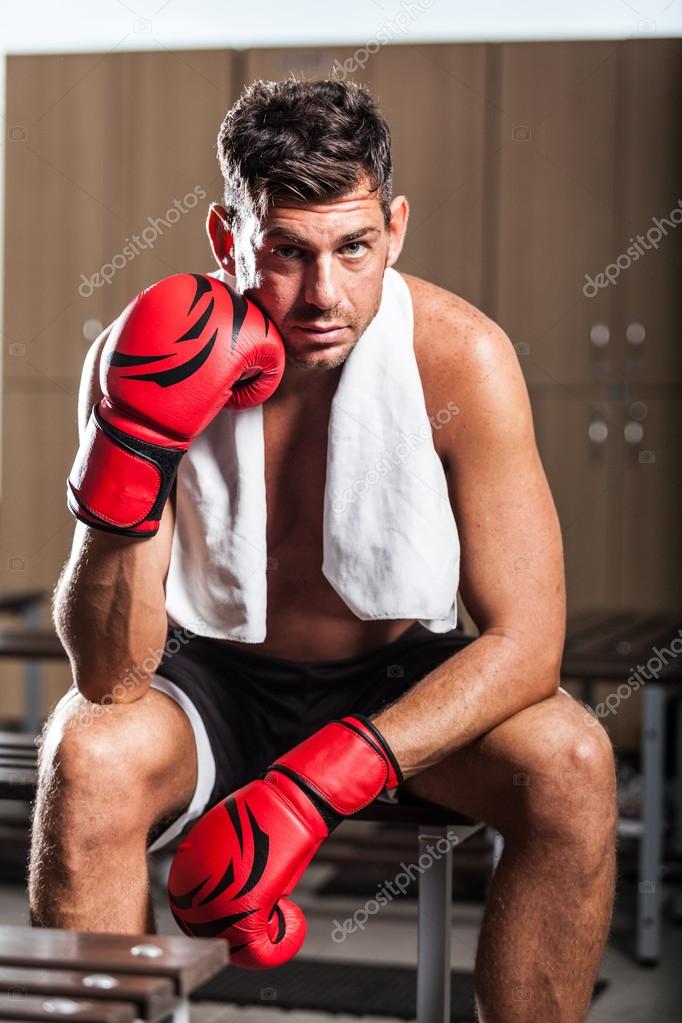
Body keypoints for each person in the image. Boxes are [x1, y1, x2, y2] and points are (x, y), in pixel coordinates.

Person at [30, 79, 616, 1022]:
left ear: (396, 227)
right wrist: (132, 451)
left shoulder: (460, 357)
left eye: (354, 248)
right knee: (86, 754)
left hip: (395, 678)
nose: (324, 296)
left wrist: (318, 782)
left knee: (572, 763)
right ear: (229, 241)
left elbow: (528, 642)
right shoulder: (148, 352)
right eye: (287, 254)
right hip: (208, 681)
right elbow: (110, 672)